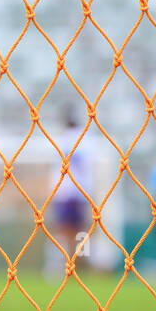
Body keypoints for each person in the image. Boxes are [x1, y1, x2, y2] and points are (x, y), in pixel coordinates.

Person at [47, 105, 96, 274]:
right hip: (79, 192)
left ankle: (69, 263)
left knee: (65, 229)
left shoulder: (64, 139)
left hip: (65, 192)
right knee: (80, 230)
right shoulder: (85, 139)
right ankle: (78, 264)